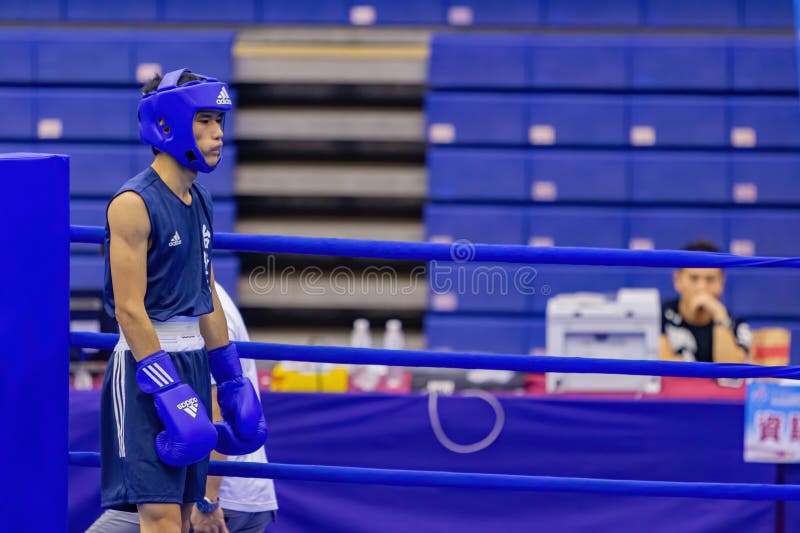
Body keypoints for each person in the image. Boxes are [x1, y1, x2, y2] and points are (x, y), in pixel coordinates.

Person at [96, 68, 267, 533]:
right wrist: (167, 388)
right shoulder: (132, 203)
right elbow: (129, 308)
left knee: (187, 511)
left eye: (221, 122)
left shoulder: (201, 200)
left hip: (192, 359)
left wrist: (230, 377)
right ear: (168, 123)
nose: (218, 134)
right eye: (206, 121)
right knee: (160, 518)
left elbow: (205, 292)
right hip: (143, 368)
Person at [88, 283, 278, 533]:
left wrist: (208, 500)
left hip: (220, 499)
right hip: (242, 495)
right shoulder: (200, 296)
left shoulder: (194, 306)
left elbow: (215, 409)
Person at [659, 240, 751, 363]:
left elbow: (731, 376)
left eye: (710, 279)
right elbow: (660, 368)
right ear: (677, 280)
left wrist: (719, 316)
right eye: (694, 278)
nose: (702, 287)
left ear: (721, 282)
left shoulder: (736, 325)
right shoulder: (659, 314)